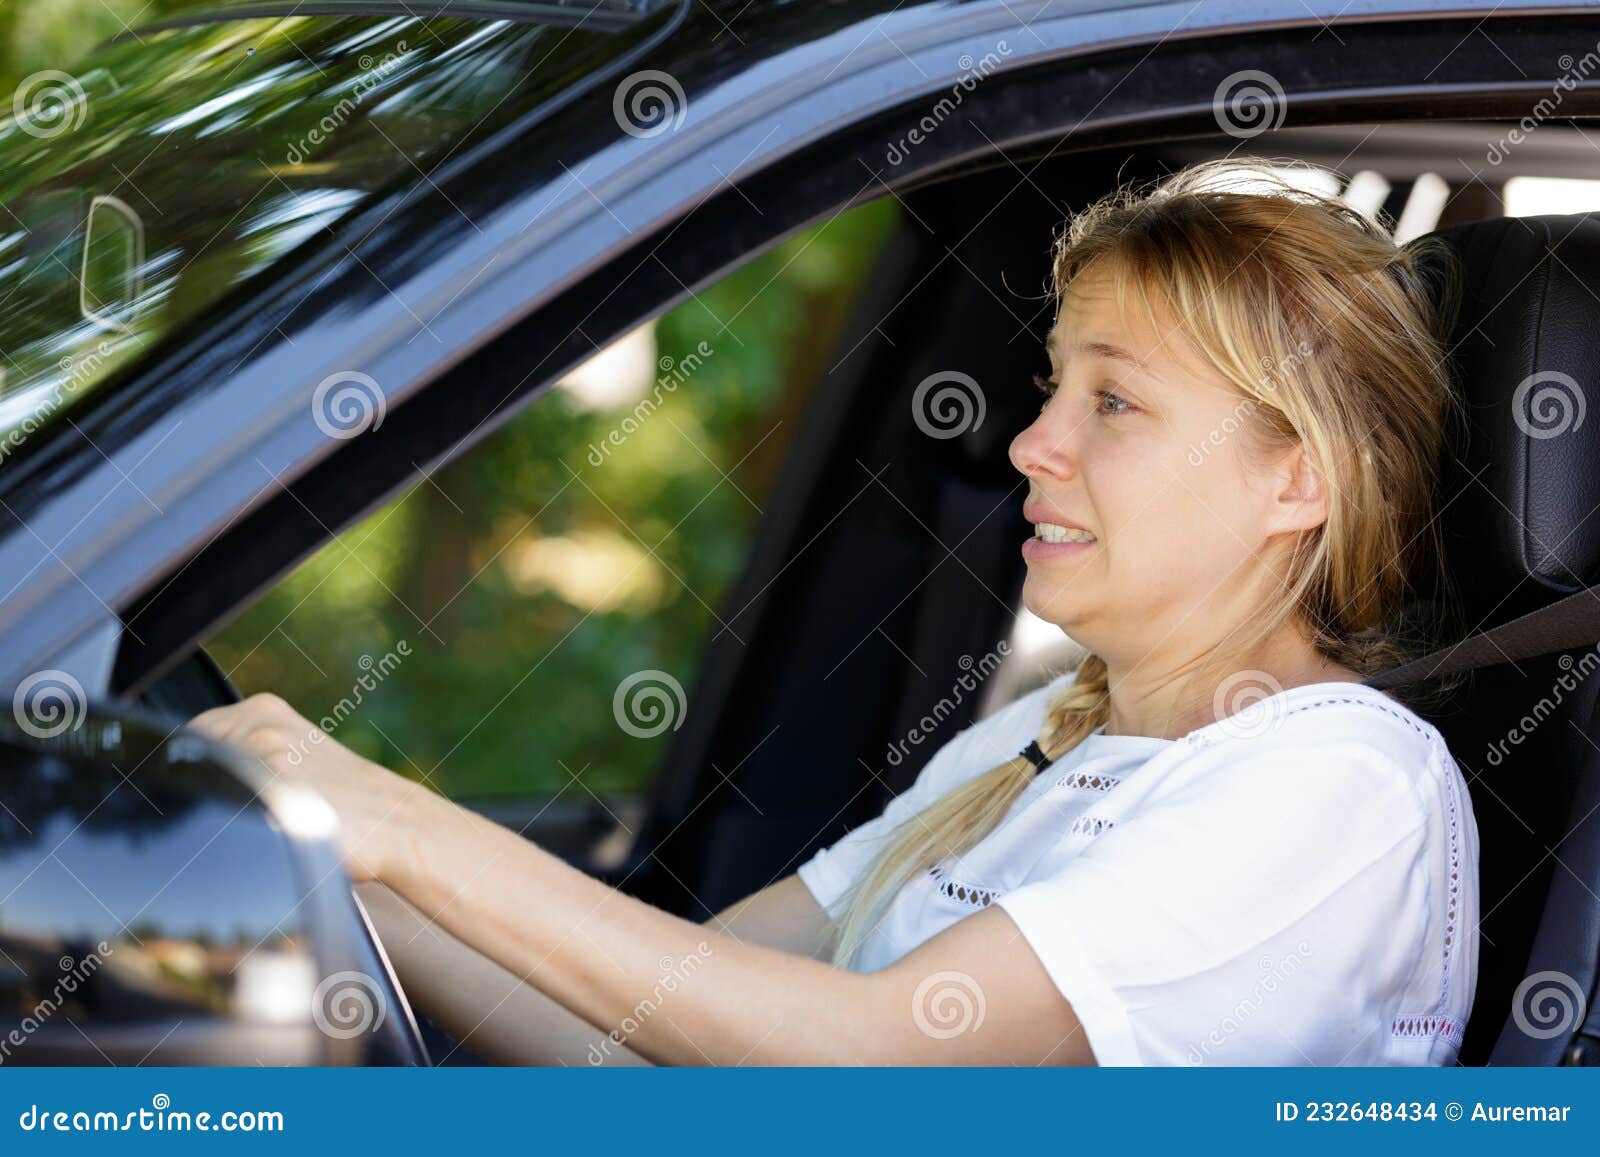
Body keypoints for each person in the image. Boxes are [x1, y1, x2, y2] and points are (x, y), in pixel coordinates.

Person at [189, 158, 1479, 1066]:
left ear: (1295, 479)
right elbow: (658, 1032)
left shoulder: (1336, 783)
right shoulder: (1042, 743)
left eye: (1115, 403)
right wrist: (308, 858)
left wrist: (401, 825)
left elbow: (866, 1062)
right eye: (1051, 388)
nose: (1032, 442)